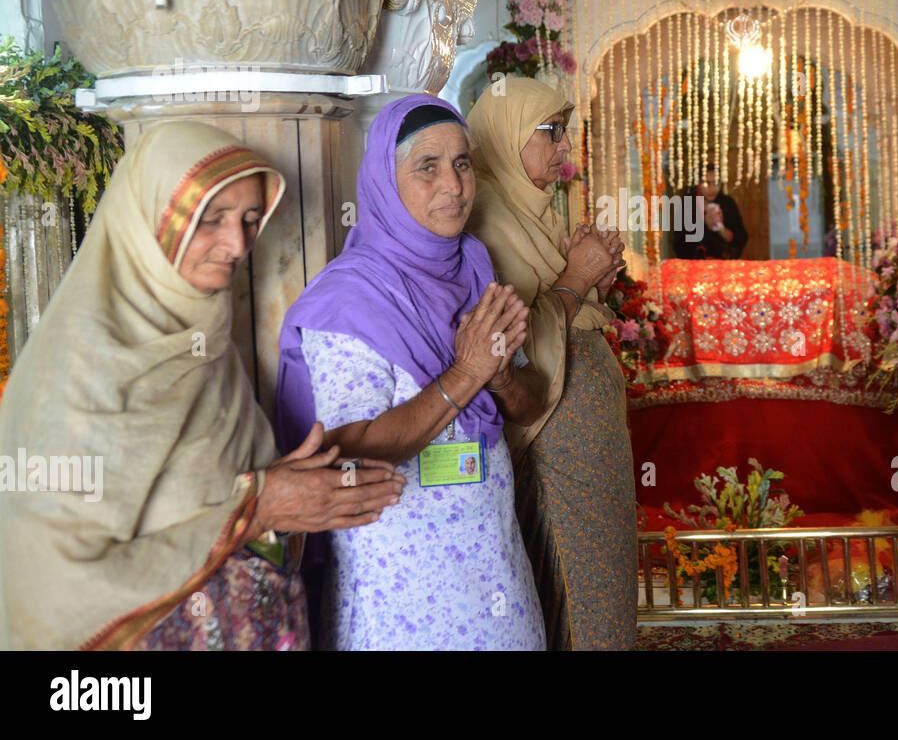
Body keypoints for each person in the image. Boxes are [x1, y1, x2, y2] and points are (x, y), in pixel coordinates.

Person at [0, 122, 403, 651]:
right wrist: (256, 509)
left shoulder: (201, 337)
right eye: (211, 219)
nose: (237, 243)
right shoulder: (82, 368)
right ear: (149, 218)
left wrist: (279, 489)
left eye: (251, 219)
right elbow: (48, 586)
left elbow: (214, 486)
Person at [276, 96, 547, 650]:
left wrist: (498, 379)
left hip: (497, 586)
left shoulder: (472, 264)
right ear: (384, 180)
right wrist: (467, 374)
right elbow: (351, 448)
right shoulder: (349, 299)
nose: (454, 184)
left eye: (462, 163)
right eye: (428, 166)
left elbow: (532, 401)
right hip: (402, 603)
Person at [465, 75, 636, 650]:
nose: (565, 149)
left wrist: (593, 285)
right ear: (508, 134)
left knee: (601, 585)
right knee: (570, 588)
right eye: (552, 132)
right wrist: (576, 279)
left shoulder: (534, 209)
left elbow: (565, 310)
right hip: (550, 444)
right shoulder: (486, 217)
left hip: (587, 448)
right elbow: (512, 337)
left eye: (566, 133)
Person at [671, 163, 748, 259]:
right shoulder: (687, 204)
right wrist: (703, 224)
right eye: (706, 183)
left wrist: (723, 231)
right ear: (698, 184)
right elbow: (678, 244)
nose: (712, 188)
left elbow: (742, 237)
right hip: (694, 267)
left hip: (722, 266)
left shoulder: (727, 203)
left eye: (716, 183)